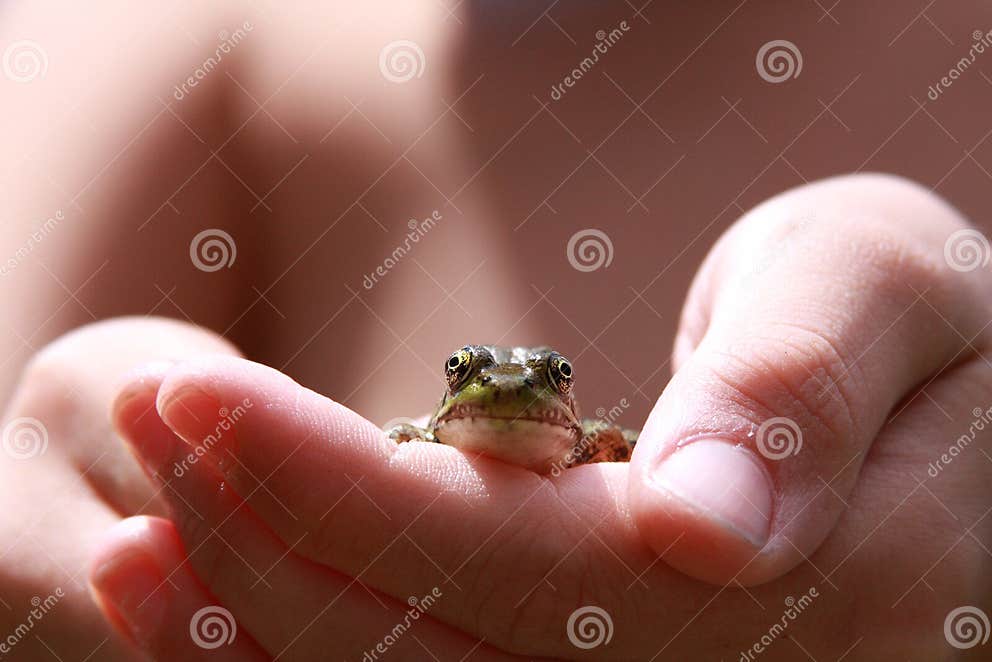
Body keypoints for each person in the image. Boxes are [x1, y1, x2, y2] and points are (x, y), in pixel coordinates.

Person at [1, 2, 990, 660]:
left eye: (542, 374)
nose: (508, 389)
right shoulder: (249, 65)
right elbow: (42, 452)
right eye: (473, 373)